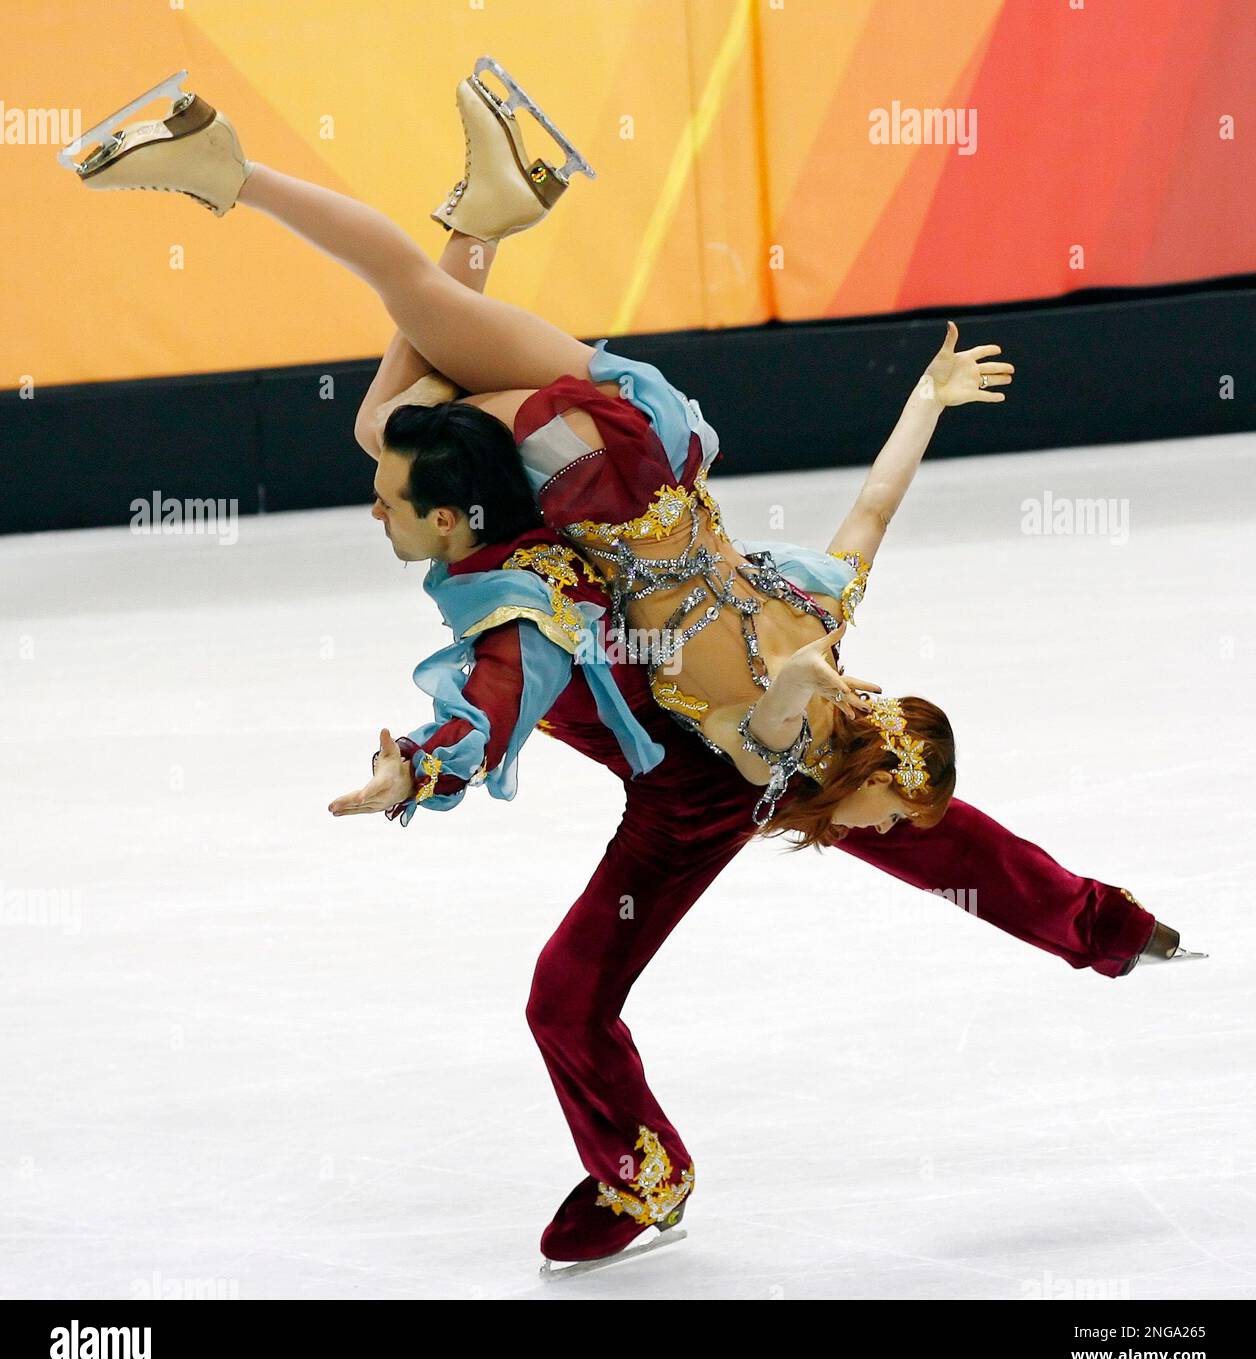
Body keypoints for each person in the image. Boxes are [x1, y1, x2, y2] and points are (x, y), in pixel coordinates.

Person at [63, 63, 1204, 1274]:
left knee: (578, 980)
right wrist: (438, 762)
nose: (886, 816)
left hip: (630, 472)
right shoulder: (802, 670)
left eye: (882, 793)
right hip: (591, 476)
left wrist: (923, 404)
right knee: (384, 406)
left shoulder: (823, 658)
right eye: (880, 782)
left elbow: (876, 539)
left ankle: (480, 212)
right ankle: (237, 168)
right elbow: (739, 668)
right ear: (852, 740)